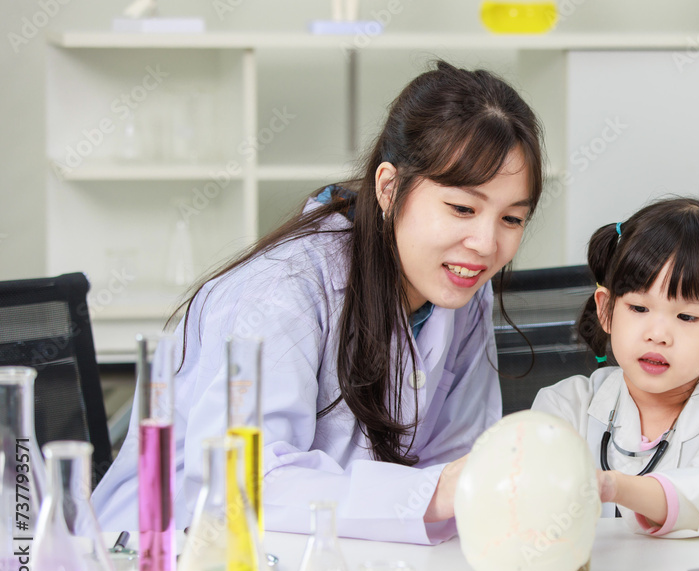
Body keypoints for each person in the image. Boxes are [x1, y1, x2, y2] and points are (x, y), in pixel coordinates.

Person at [93, 61, 544, 545]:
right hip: (162, 555)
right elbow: (244, 486)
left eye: (511, 219)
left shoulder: (461, 286)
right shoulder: (284, 290)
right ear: (389, 188)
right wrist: (430, 494)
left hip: (341, 558)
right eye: (462, 208)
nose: (485, 244)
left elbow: (460, 460)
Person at [532, 198, 699, 538]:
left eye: (686, 316)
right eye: (639, 308)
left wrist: (615, 487)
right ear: (606, 310)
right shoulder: (564, 406)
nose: (658, 335)